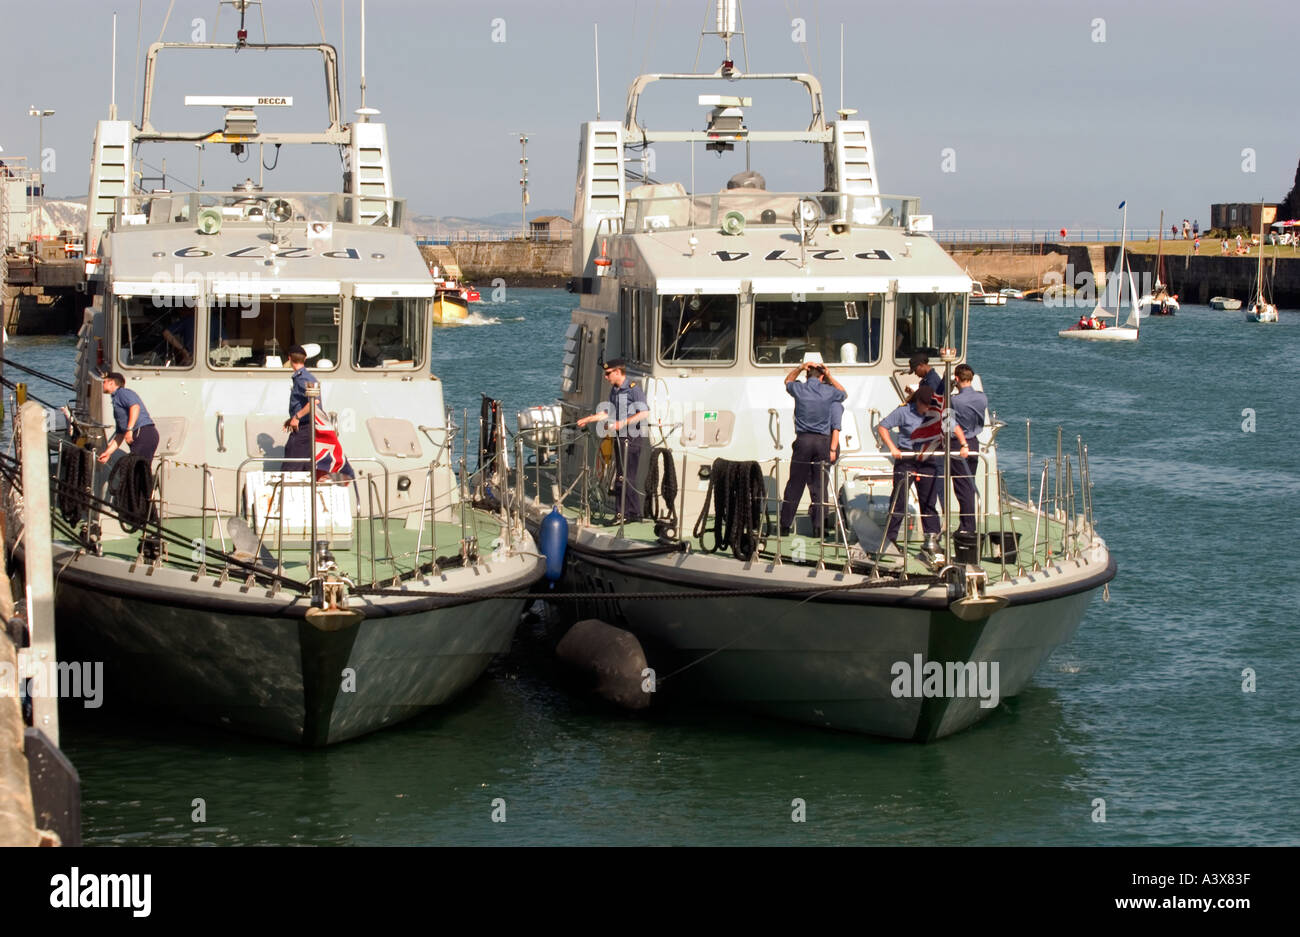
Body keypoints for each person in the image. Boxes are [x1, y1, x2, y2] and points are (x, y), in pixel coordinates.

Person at [876, 385, 965, 557]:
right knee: (899, 500)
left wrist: (964, 444)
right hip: (907, 459)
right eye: (925, 405)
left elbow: (954, 427)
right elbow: (883, 426)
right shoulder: (903, 412)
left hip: (928, 459)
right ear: (918, 402)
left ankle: (932, 540)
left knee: (928, 501)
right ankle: (889, 539)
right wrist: (893, 448)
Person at [778, 360, 847, 536]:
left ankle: (785, 526)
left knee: (795, 483)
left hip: (803, 440)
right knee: (820, 485)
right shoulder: (829, 391)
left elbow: (787, 381)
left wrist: (800, 367)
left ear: (807, 375)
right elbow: (843, 394)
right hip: (823, 442)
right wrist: (830, 375)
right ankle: (819, 528)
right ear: (822, 376)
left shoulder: (800, 389)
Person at [576, 358, 649, 522]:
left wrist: (622, 423)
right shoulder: (615, 390)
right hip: (620, 437)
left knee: (625, 477)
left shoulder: (633, 389)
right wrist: (589, 419)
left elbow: (644, 412)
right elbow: (608, 412)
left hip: (632, 437)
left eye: (608, 373)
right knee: (623, 475)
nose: (606, 377)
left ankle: (623, 514)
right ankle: (633, 513)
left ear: (617, 372)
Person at [947, 364, 988, 535]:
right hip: (974, 443)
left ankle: (967, 527)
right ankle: (966, 524)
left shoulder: (955, 401)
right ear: (971, 378)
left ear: (956, 379)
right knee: (969, 485)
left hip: (958, 444)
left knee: (962, 487)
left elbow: (948, 423)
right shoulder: (982, 398)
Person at [97, 372, 160, 467]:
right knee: (136, 470)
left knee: (136, 468)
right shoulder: (116, 399)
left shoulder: (122, 393)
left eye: (104, 381)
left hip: (143, 432)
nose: (102, 384)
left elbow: (135, 407)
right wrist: (108, 453)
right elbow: (119, 435)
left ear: (112, 383)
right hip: (139, 435)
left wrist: (129, 429)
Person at [283, 345, 317, 472]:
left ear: (289, 358)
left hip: (304, 429)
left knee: (291, 468)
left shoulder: (303, 378)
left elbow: (314, 402)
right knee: (305, 468)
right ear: (305, 359)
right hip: (305, 427)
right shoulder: (303, 377)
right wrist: (292, 419)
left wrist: (297, 417)